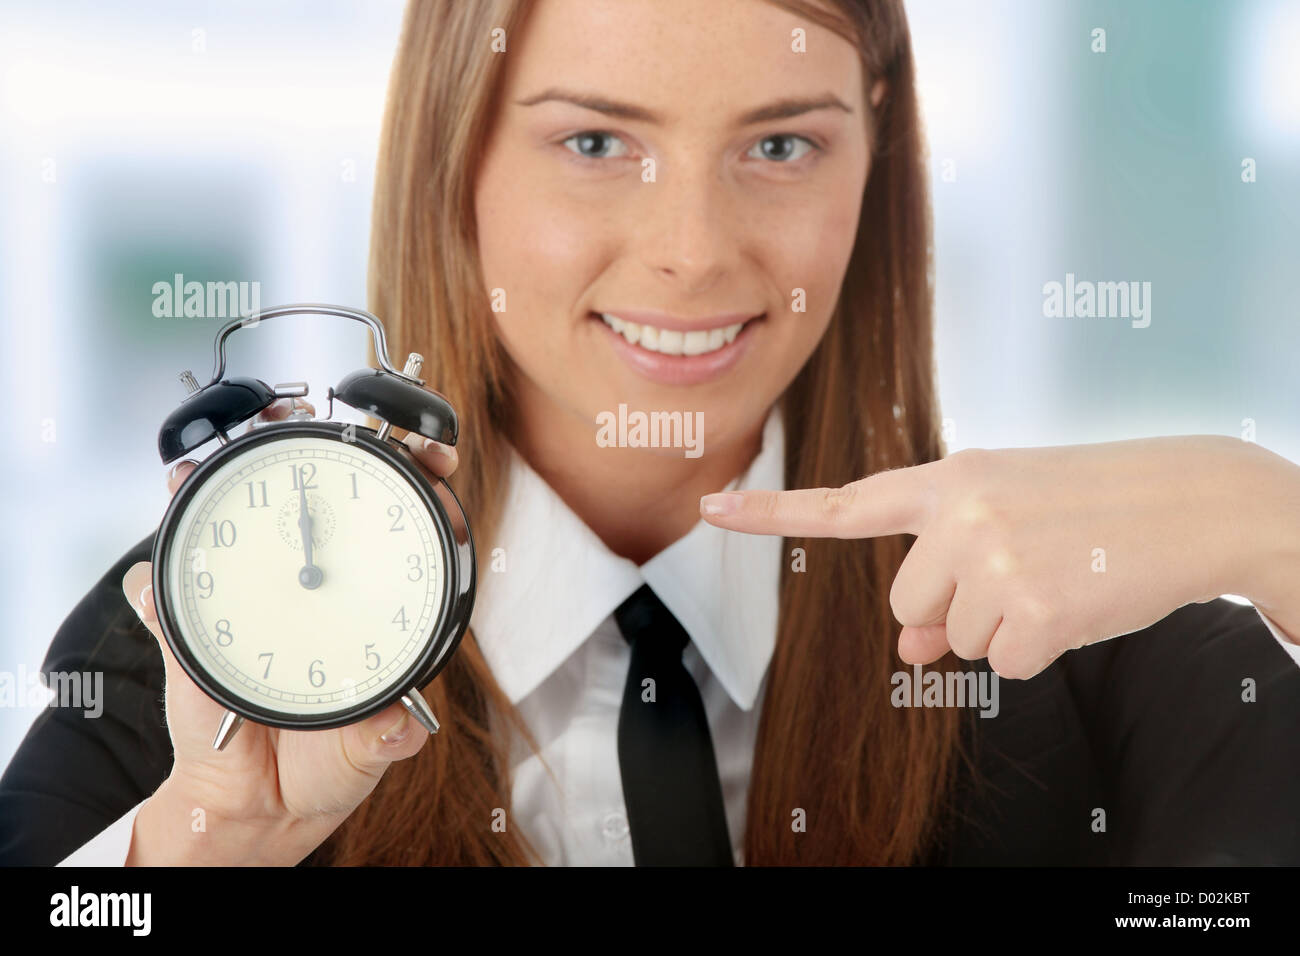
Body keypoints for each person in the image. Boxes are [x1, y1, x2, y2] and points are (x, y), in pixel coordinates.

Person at [3, 0, 1300, 867]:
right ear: (454, 158)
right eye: (594, 140)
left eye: (782, 144)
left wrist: (1277, 528)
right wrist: (186, 862)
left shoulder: (1108, 659)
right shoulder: (198, 655)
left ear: (877, 150)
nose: (692, 255)